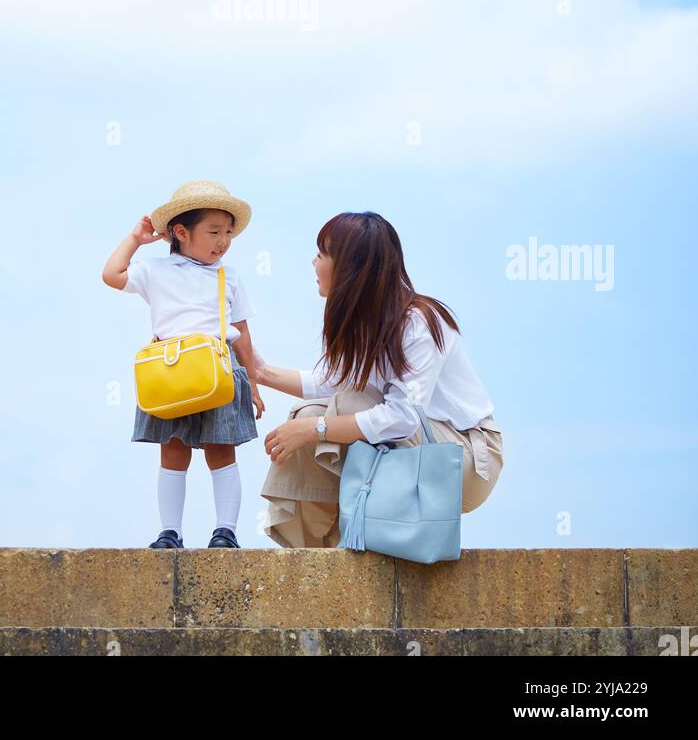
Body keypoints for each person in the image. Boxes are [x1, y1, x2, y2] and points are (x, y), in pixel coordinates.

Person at [253, 211, 504, 548]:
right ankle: (315, 555)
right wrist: (261, 373)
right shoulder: (368, 325)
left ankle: (353, 537)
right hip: (421, 451)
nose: (314, 261)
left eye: (322, 253)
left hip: (467, 463)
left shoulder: (418, 323)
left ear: (348, 266)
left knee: (330, 415)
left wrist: (313, 431)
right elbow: (332, 381)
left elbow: (402, 417)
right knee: (310, 413)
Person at [101, 179, 264, 550]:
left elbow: (242, 332)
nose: (223, 241)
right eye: (213, 232)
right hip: (173, 369)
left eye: (228, 232)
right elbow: (111, 275)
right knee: (173, 451)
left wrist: (253, 384)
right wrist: (135, 240)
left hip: (220, 371)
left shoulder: (230, 274)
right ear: (180, 232)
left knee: (221, 450)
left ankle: (225, 530)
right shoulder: (155, 269)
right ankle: (169, 532)